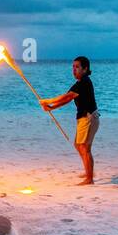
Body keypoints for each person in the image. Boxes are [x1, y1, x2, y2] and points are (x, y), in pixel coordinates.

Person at [39, 55, 98, 185]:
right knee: (79, 145)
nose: (74, 69)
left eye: (77, 67)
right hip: (85, 118)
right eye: (73, 67)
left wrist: (47, 101)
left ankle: (89, 179)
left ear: (85, 68)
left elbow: (66, 96)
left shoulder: (84, 83)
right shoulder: (80, 83)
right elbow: (67, 99)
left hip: (88, 118)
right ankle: (89, 172)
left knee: (84, 147)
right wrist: (51, 108)